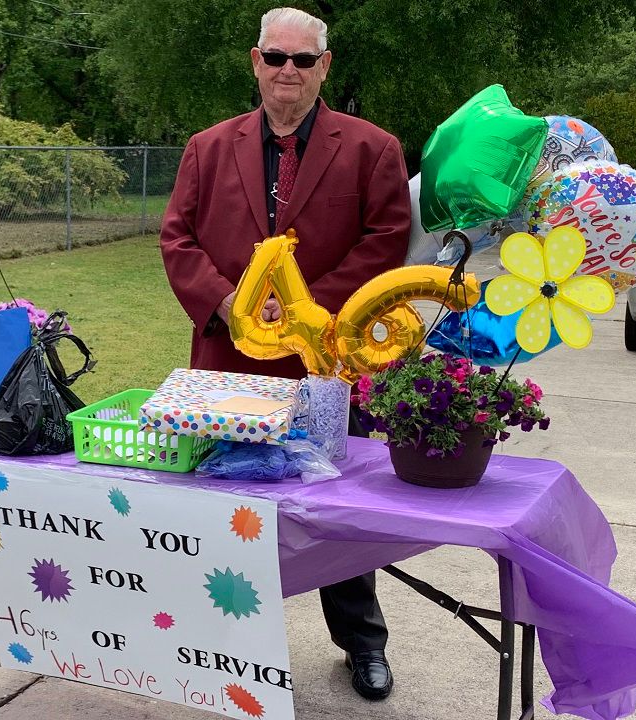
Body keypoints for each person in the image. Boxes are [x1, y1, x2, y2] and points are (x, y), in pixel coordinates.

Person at [159, 7, 411, 701]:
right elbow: (177, 239)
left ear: (324, 66)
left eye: (303, 59)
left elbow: (385, 240)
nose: (288, 71)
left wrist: (302, 308)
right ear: (256, 62)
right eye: (276, 57)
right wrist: (231, 303)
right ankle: (221, 646)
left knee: (335, 516)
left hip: (320, 365)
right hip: (227, 363)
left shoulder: (373, 148)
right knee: (222, 513)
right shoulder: (207, 147)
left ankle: (363, 644)